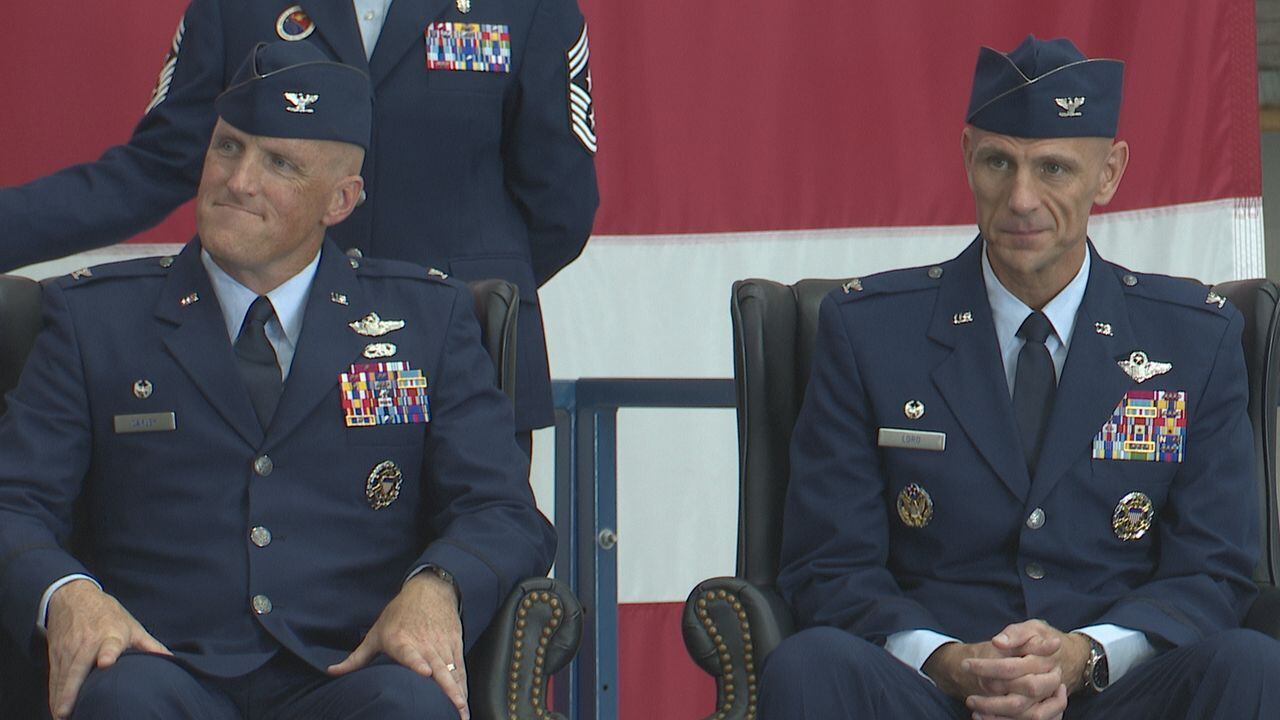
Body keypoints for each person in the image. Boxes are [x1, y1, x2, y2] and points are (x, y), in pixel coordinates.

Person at [0, 41, 555, 720]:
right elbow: (12, 502)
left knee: (411, 709)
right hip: (157, 665)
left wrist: (437, 586)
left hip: (349, 671)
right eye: (228, 148)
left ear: (341, 199)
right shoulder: (95, 321)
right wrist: (68, 594)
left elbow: (501, 510)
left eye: (280, 164)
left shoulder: (427, 323)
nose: (239, 181)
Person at [758, 36, 1280, 719]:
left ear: (1109, 173)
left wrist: (1083, 656)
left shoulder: (1194, 340)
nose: (1021, 198)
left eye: (1055, 169)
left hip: (1115, 692)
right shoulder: (867, 332)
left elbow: (1212, 566)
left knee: (1250, 664)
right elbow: (829, 564)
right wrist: (951, 663)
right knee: (811, 665)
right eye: (998, 162)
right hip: (930, 693)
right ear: (966, 154)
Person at [0, 0, 599, 450]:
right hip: (272, 367)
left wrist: (428, 310)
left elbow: (560, 205)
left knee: (454, 593)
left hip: (452, 374)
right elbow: (155, 166)